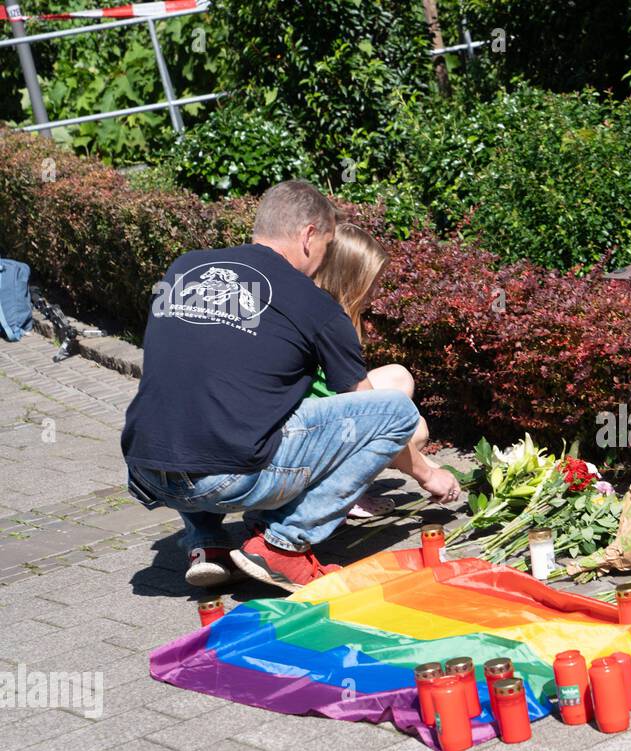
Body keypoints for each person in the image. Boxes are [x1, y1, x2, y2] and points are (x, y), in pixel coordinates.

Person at [121, 180, 459, 592]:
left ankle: (208, 540)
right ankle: (283, 545)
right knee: (396, 413)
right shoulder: (314, 304)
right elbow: (364, 414)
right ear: (309, 235)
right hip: (226, 479)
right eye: (326, 245)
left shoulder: (185, 266)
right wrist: (425, 473)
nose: (323, 260)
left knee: (200, 396)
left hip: (147, 470)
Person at [309, 223, 459, 516]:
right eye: (370, 283)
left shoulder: (317, 307)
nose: (374, 293)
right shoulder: (330, 323)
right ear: (349, 279)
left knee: (398, 378)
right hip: (313, 435)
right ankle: (339, 492)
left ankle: (347, 484)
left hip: (321, 414)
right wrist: (426, 472)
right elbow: (369, 412)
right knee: (412, 430)